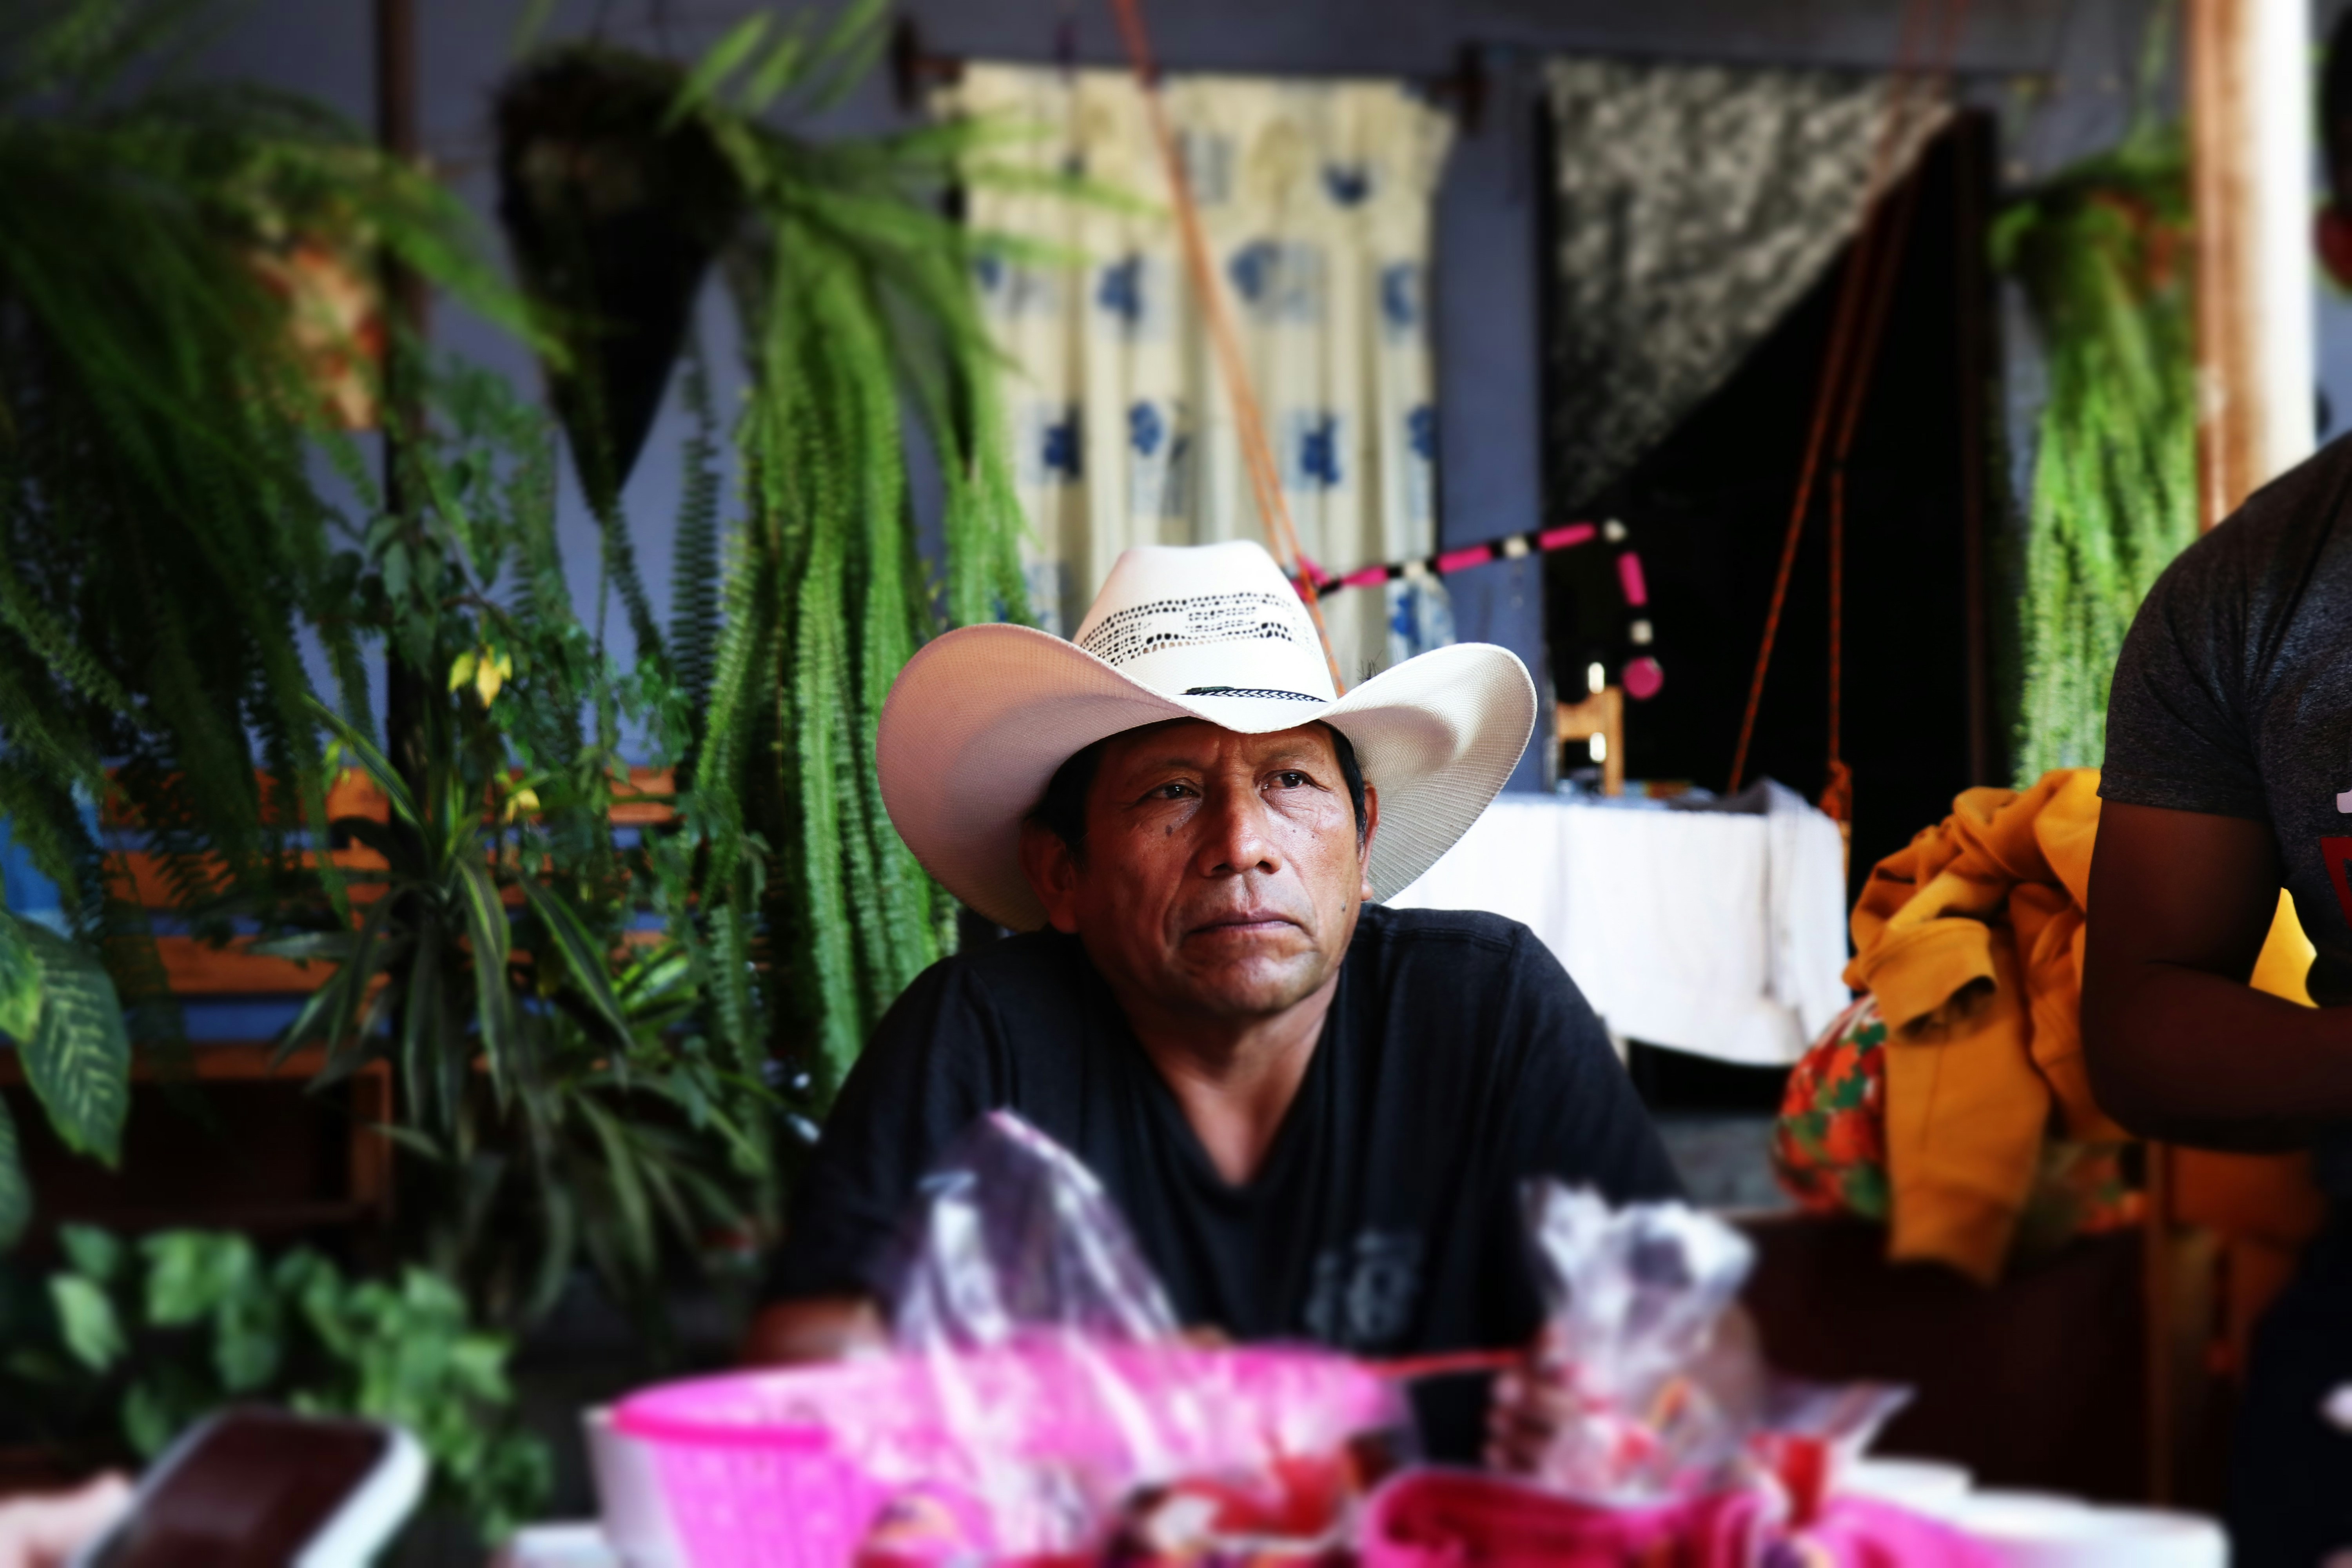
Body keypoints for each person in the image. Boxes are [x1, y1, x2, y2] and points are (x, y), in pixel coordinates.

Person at [745, 540, 1681, 1463]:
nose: (1243, 843)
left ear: (1361, 842)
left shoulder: (1485, 1006)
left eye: (1290, 781)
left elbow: (1685, 1339)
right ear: (1062, 870)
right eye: (1175, 790)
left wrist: (1625, 1406)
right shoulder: (984, 1036)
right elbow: (799, 1364)